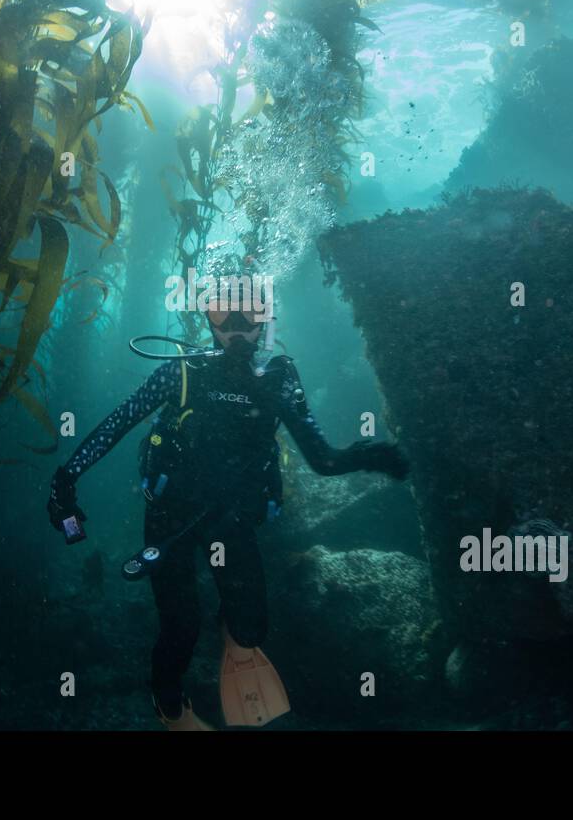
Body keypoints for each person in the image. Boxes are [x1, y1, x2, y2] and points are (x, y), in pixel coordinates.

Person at [46, 278, 410, 730]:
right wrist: (65, 480)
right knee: (179, 630)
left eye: (250, 315)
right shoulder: (182, 372)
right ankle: (172, 707)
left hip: (231, 518)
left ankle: (233, 636)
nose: (236, 327)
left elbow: (322, 458)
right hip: (170, 517)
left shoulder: (279, 378)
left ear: (266, 321)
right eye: (222, 313)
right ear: (208, 321)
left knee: (252, 627)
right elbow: (116, 423)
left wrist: (369, 456)